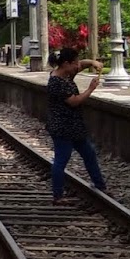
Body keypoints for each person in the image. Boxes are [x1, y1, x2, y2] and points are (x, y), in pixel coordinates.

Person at [45, 47, 109, 202]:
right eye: (75, 63)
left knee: (89, 154)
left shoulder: (66, 74)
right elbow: (74, 101)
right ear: (66, 64)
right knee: (61, 160)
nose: (77, 65)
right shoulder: (56, 82)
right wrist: (90, 89)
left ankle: (100, 185)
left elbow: (82, 65)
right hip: (62, 127)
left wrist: (93, 62)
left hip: (75, 126)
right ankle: (58, 195)